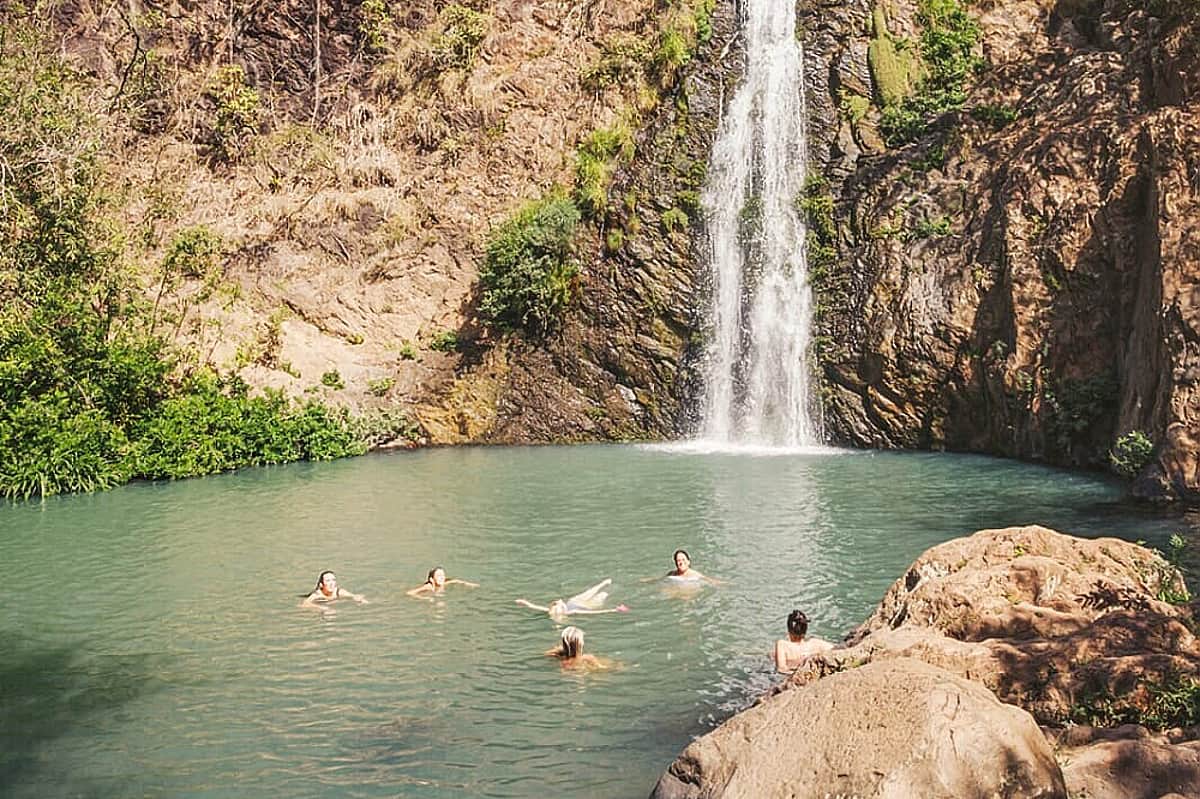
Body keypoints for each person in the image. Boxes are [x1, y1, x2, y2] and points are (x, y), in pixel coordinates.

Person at [515, 578, 630, 618]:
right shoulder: (571, 612)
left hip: (574, 601)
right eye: (558, 603)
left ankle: (604, 583)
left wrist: (524, 602)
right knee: (603, 595)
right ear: (562, 609)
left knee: (589, 592)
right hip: (587, 606)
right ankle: (607, 585)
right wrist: (613, 610)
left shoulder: (550, 610)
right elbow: (594, 613)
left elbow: (535, 607)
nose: (559, 601)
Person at [544, 625, 610, 670]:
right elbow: (602, 668)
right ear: (580, 643)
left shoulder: (559, 654)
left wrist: (562, 649)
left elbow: (546, 654)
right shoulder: (588, 658)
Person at [300, 570, 368, 607]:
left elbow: (354, 596)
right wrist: (322, 608)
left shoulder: (339, 592)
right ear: (321, 585)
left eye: (333, 580)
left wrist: (361, 600)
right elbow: (303, 605)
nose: (332, 583)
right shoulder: (317, 595)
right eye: (328, 581)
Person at [406, 566, 479, 598]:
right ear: (432, 579)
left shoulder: (444, 583)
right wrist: (425, 598)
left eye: (443, 576)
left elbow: (455, 580)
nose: (441, 578)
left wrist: (469, 584)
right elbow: (409, 593)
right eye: (438, 576)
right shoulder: (429, 587)